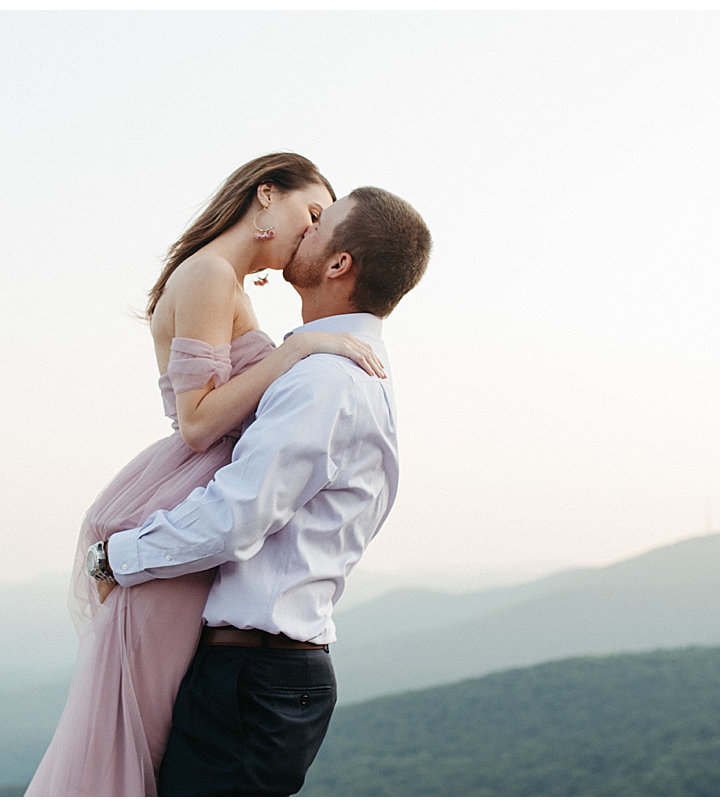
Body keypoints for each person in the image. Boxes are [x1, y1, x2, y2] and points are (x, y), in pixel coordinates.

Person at [24, 154, 385, 797]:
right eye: (310, 214)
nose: (311, 232)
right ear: (266, 195)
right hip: (193, 493)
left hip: (209, 518)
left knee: (160, 736)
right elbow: (195, 424)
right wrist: (296, 349)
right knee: (148, 729)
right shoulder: (212, 275)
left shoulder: (225, 282)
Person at [95, 185, 432, 796]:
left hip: (255, 678)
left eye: (320, 222)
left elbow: (235, 516)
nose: (305, 229)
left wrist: (115, 558)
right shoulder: (334, 369)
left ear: (338, 264)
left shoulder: (326, 380)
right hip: (259, 673)